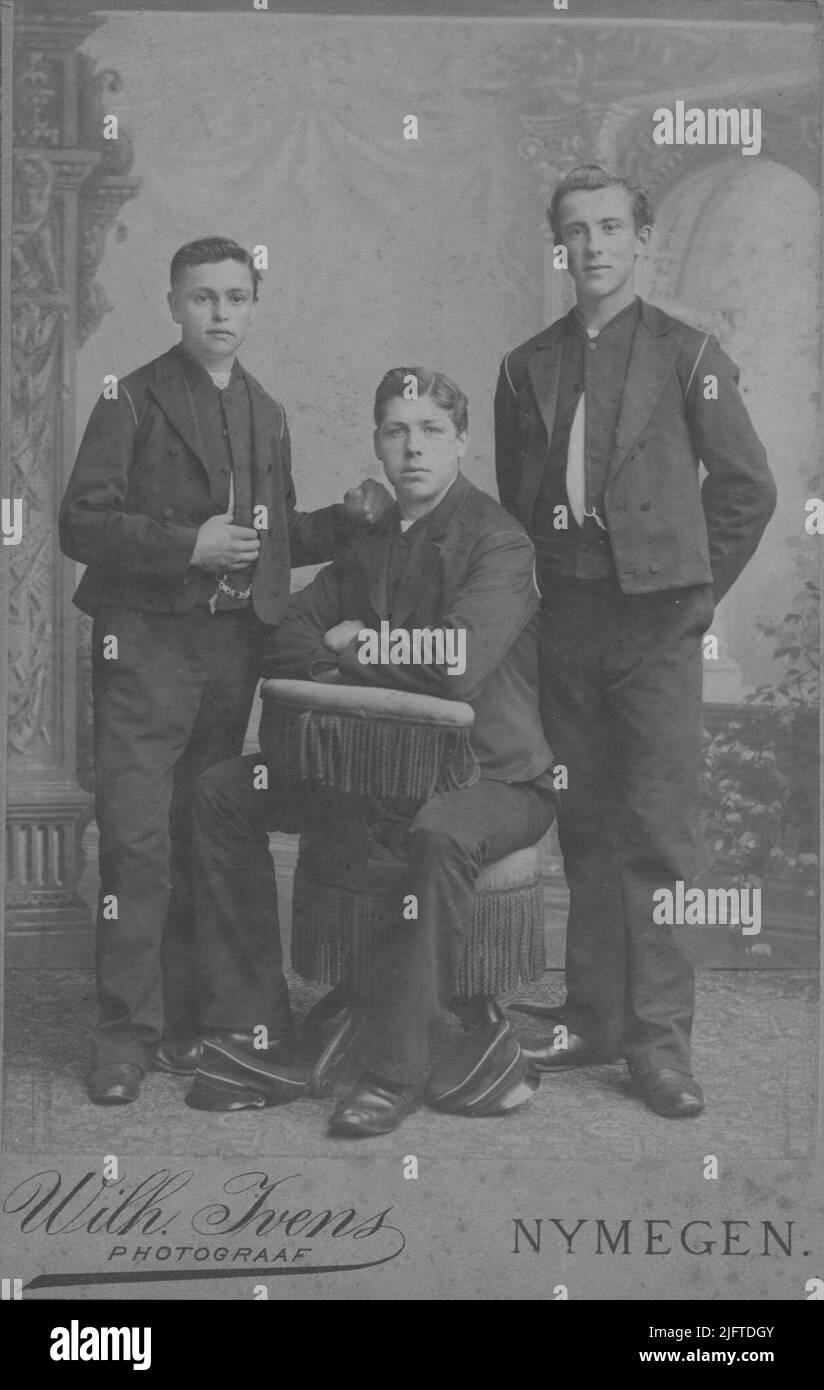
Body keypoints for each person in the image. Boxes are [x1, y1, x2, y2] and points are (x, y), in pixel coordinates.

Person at [59, 236, 390, 1105]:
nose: (219, 313)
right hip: (143, 648)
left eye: (235, 297)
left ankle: (194, 1023)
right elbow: (79, 525)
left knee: (194, 835)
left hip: (229, 652)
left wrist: (347, 519)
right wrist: (187, 546)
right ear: (172, 302)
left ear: (253, 306)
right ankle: (123, 1039)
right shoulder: (127, 399)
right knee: (135, 843)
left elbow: (273, 544)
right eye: (202, 297)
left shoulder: (268, 411)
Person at [186, 366, 557, 1136]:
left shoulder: (501, 541)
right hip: (367, 768)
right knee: (222, 790)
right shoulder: (373, 542)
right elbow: (285, 626)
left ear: (461, 442)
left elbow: (454, 660)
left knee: (441, 832)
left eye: (429, 430)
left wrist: (353, 646)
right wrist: (333, 654)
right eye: (396, 430)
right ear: (378, 446)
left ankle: (397, 1070)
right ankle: (254, 1020)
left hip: (490, 775)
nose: (412, 447)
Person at [494, 165, 776, 1118]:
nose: (594, 246)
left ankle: (658, 1043)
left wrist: (690, 600)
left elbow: (746, 491)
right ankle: (590, 1016)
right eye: (576, 230)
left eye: (611, 227)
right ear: (560, 247)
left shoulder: (690, 353)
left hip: (655, 627)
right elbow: (520, 508)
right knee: (586, 825)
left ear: (640, 240)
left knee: (656, 835)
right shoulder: (523, 366)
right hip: (565, 623)